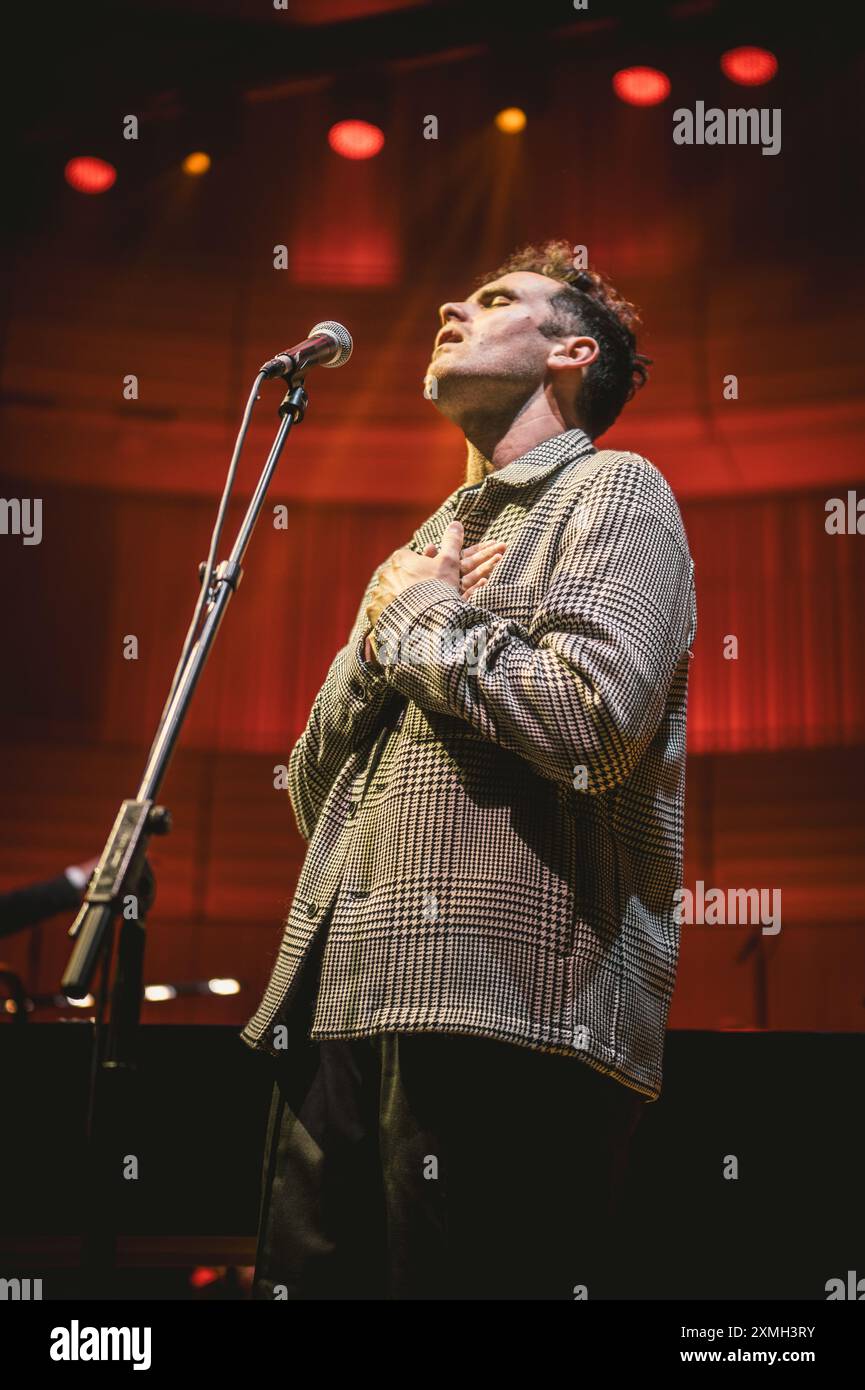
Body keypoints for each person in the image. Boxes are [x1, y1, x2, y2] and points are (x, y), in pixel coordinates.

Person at [241, 240, 697, 1300]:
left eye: (496, 299)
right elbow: (312, 792)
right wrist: (384, 636)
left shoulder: (612, 489)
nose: (451, 302)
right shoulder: (427, 544)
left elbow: (590, 720)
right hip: (334, 994)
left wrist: (419, 619)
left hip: (499, 1003)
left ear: (569, 353)